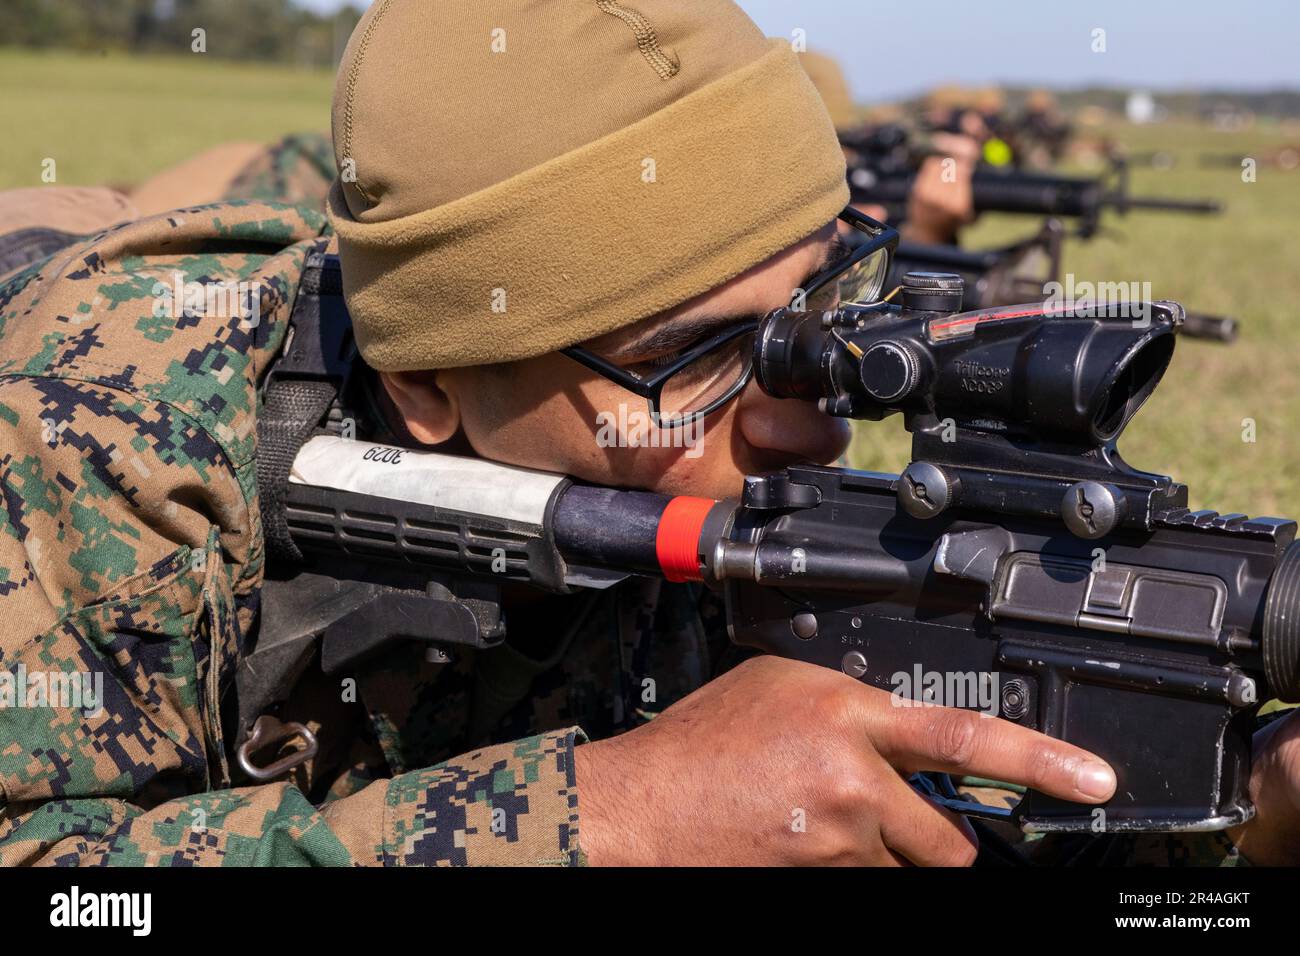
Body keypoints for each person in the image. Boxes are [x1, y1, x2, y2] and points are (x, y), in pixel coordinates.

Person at [1, 0, 1297, 867]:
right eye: (691, 359)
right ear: (433, 388)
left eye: (820, 311)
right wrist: (607, 820)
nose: (800, 421)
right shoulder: (101, 449)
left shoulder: (758, 519)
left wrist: (1243, 834)